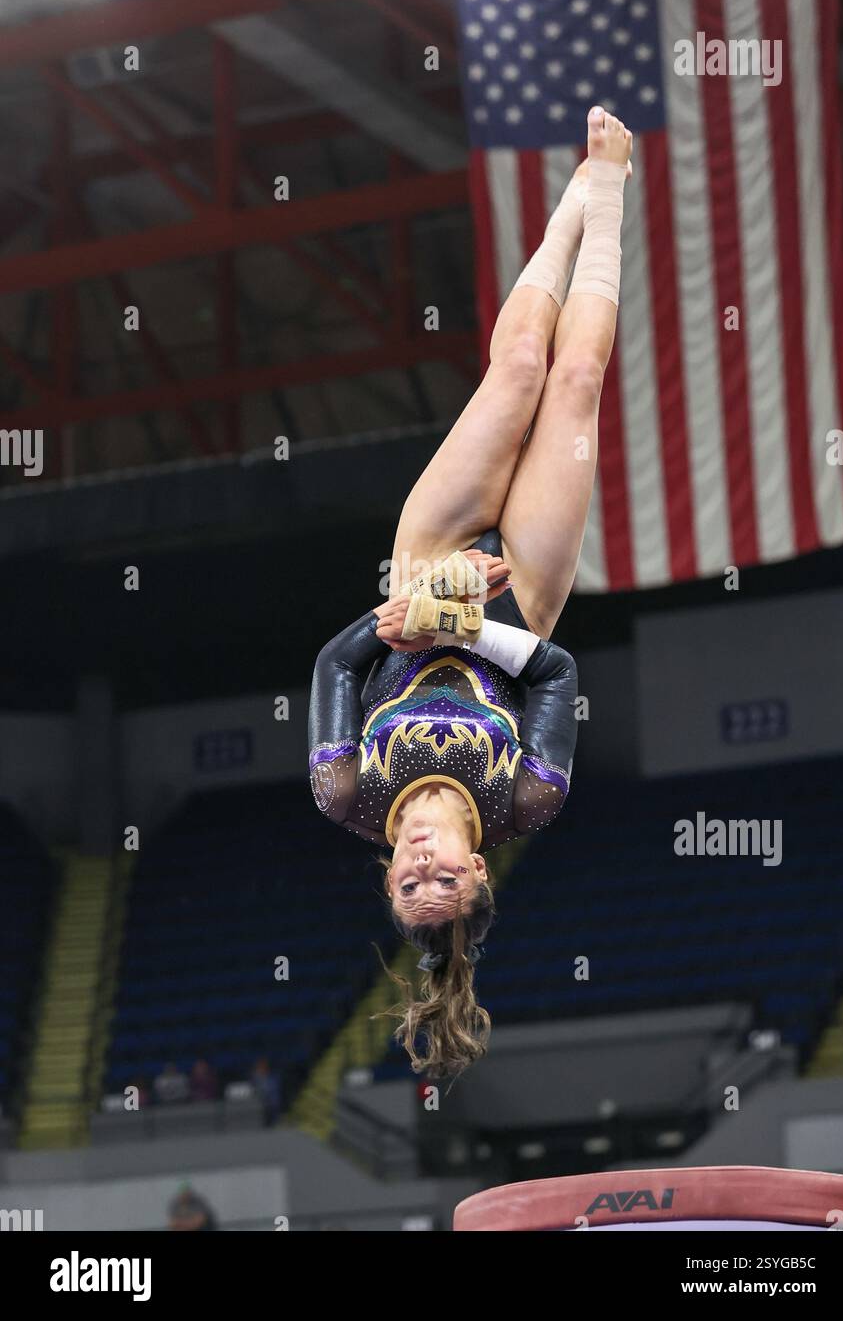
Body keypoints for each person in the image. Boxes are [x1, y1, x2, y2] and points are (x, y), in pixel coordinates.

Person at [309, 107, 632, 1078]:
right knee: (572, 380)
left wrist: (406, 615)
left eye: (404, 882)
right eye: (437, 878)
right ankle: (606, 189)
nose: (415, 862)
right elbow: (556, 671)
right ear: (476, 867)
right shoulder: (525, 795)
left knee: (515, 369)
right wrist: (473, 623)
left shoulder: (345, 789)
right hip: (520, 600)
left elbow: (338, 661)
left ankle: (564, 208)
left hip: (423, 564)